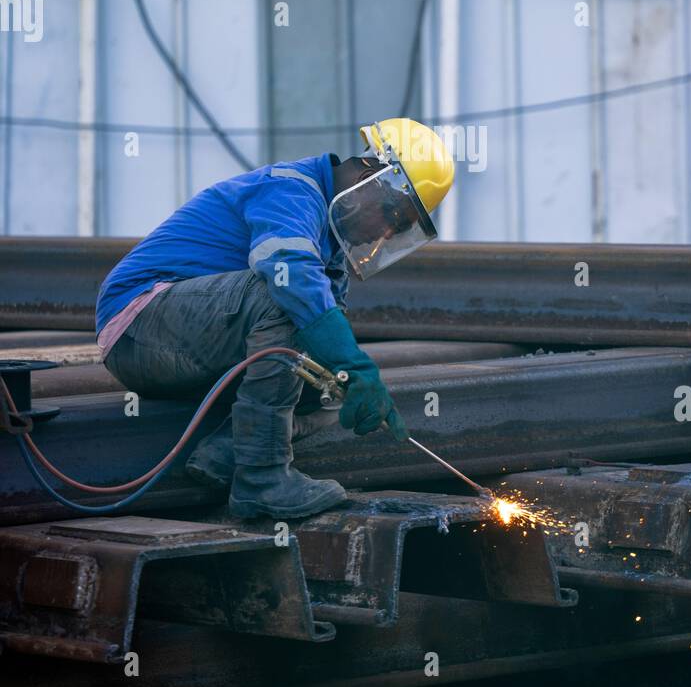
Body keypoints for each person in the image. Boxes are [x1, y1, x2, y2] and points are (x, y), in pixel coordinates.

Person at [95, 119, 455, 520]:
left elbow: (319, 335)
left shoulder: (330, 250)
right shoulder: (292, 188)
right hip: (140, 326)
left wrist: (349, 378)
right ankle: (262, 480)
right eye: (391, 214)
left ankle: (224, 454)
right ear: (370, 174)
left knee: (326, 386)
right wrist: (354, 362)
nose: (384, 233)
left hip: (196, 347)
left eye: (398, 229)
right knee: (285, 294)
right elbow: (289, 272)